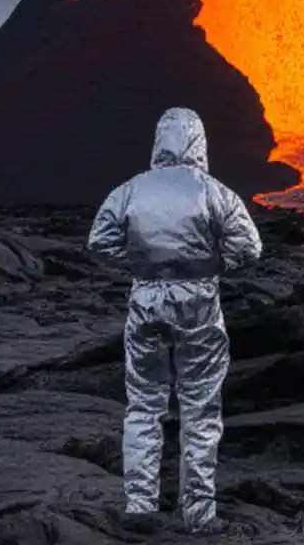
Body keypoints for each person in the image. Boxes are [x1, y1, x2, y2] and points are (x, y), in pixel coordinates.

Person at [86, 107, 262, 535]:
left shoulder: (130, 190)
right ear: (199, 142)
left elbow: (98, 242)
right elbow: (250, 247)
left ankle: (141, 504)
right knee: (200, 408)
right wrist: (215, 264)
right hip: (199, 302)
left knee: (144, 404)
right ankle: (199, 515)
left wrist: (138, 263)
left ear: (158, 142)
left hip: (146, 299)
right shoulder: (214, 192)